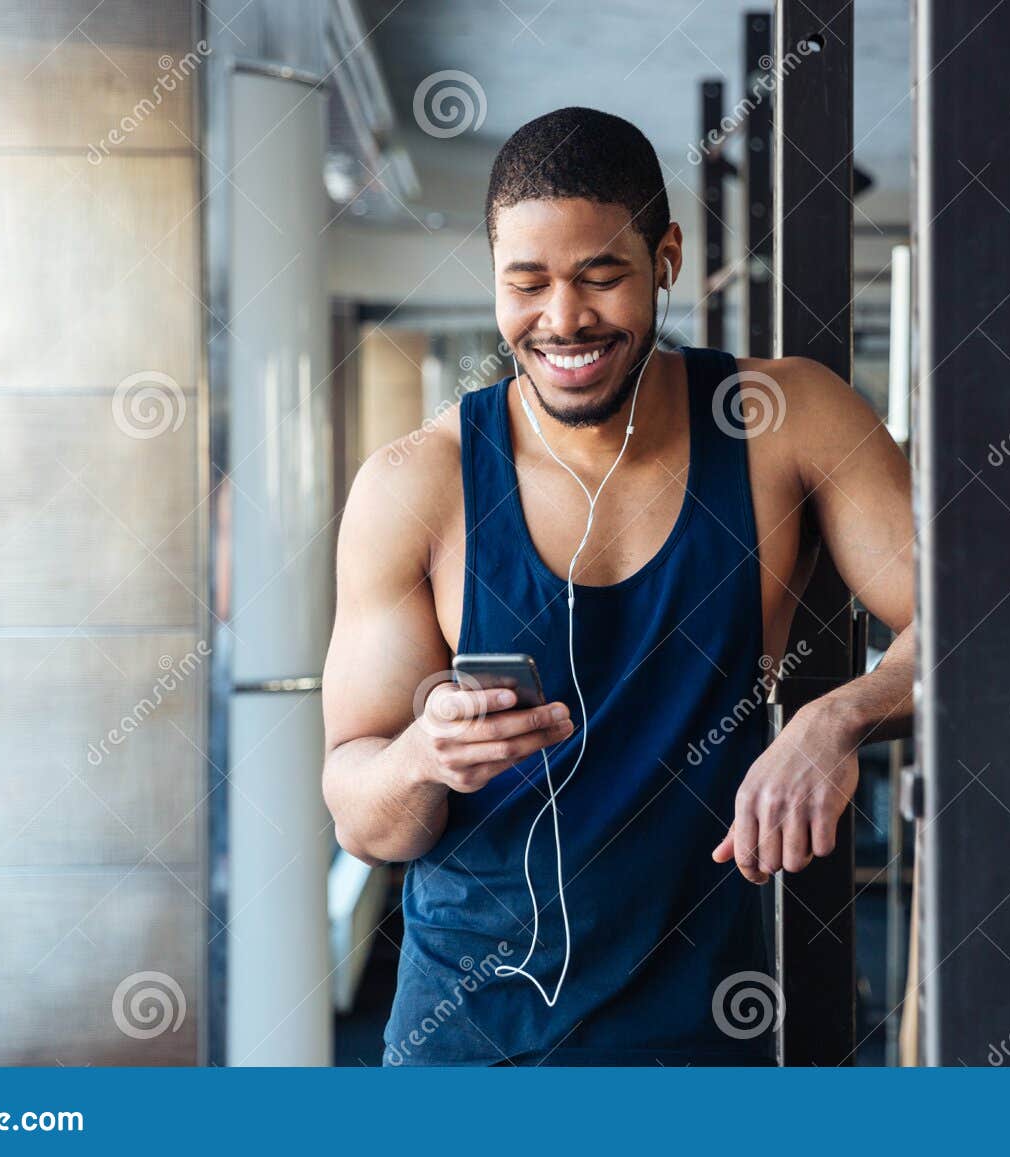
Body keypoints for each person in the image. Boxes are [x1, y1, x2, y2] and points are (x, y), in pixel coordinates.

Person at [320, 107, 914, 1065]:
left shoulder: (783, 421)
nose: (563, 320)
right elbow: (361, 811)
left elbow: (975, 631)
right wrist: (423, 756)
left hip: (702, 1034)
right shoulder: (412, 485)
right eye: (528, 283)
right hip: (470, 1047)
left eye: (600, 275)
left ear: (666, 255)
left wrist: (833, 719)